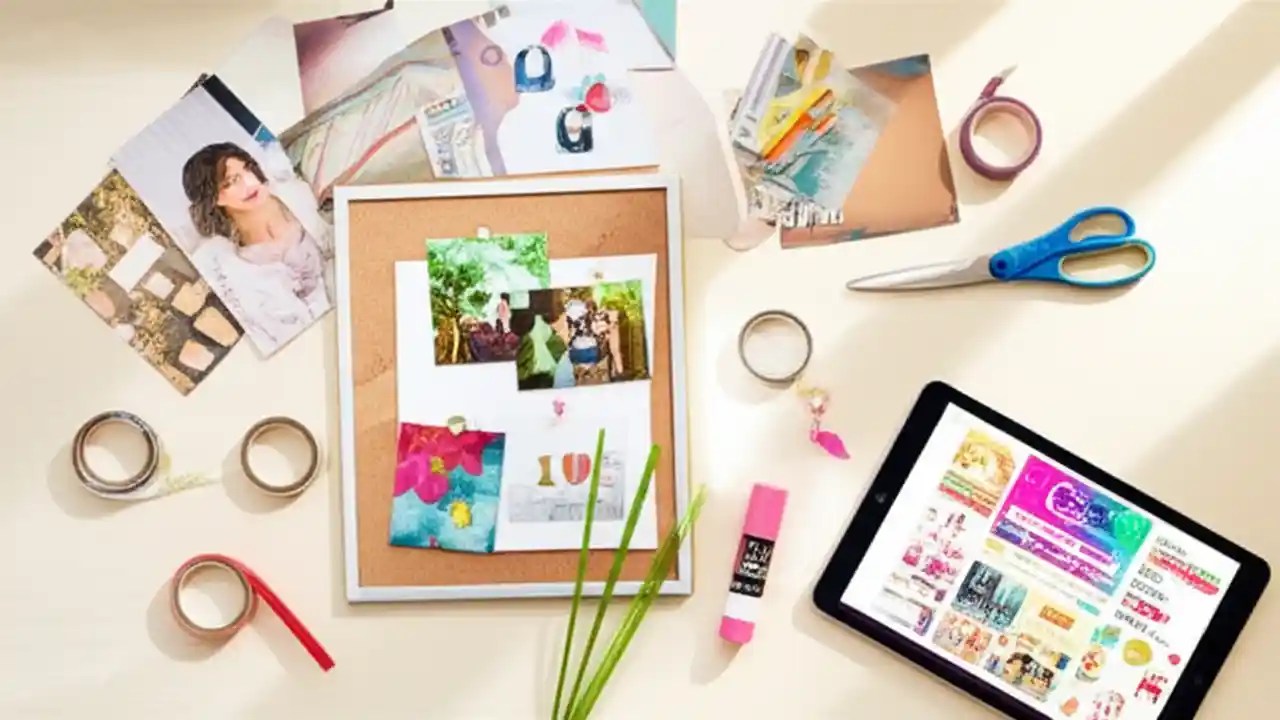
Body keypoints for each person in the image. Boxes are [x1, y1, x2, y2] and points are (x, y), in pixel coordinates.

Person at [182, 142, 333, 352]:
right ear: (213, 198)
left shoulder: (294, 193)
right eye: (231, 182)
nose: (249, 182)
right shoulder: (239, 265)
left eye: (247, 168)